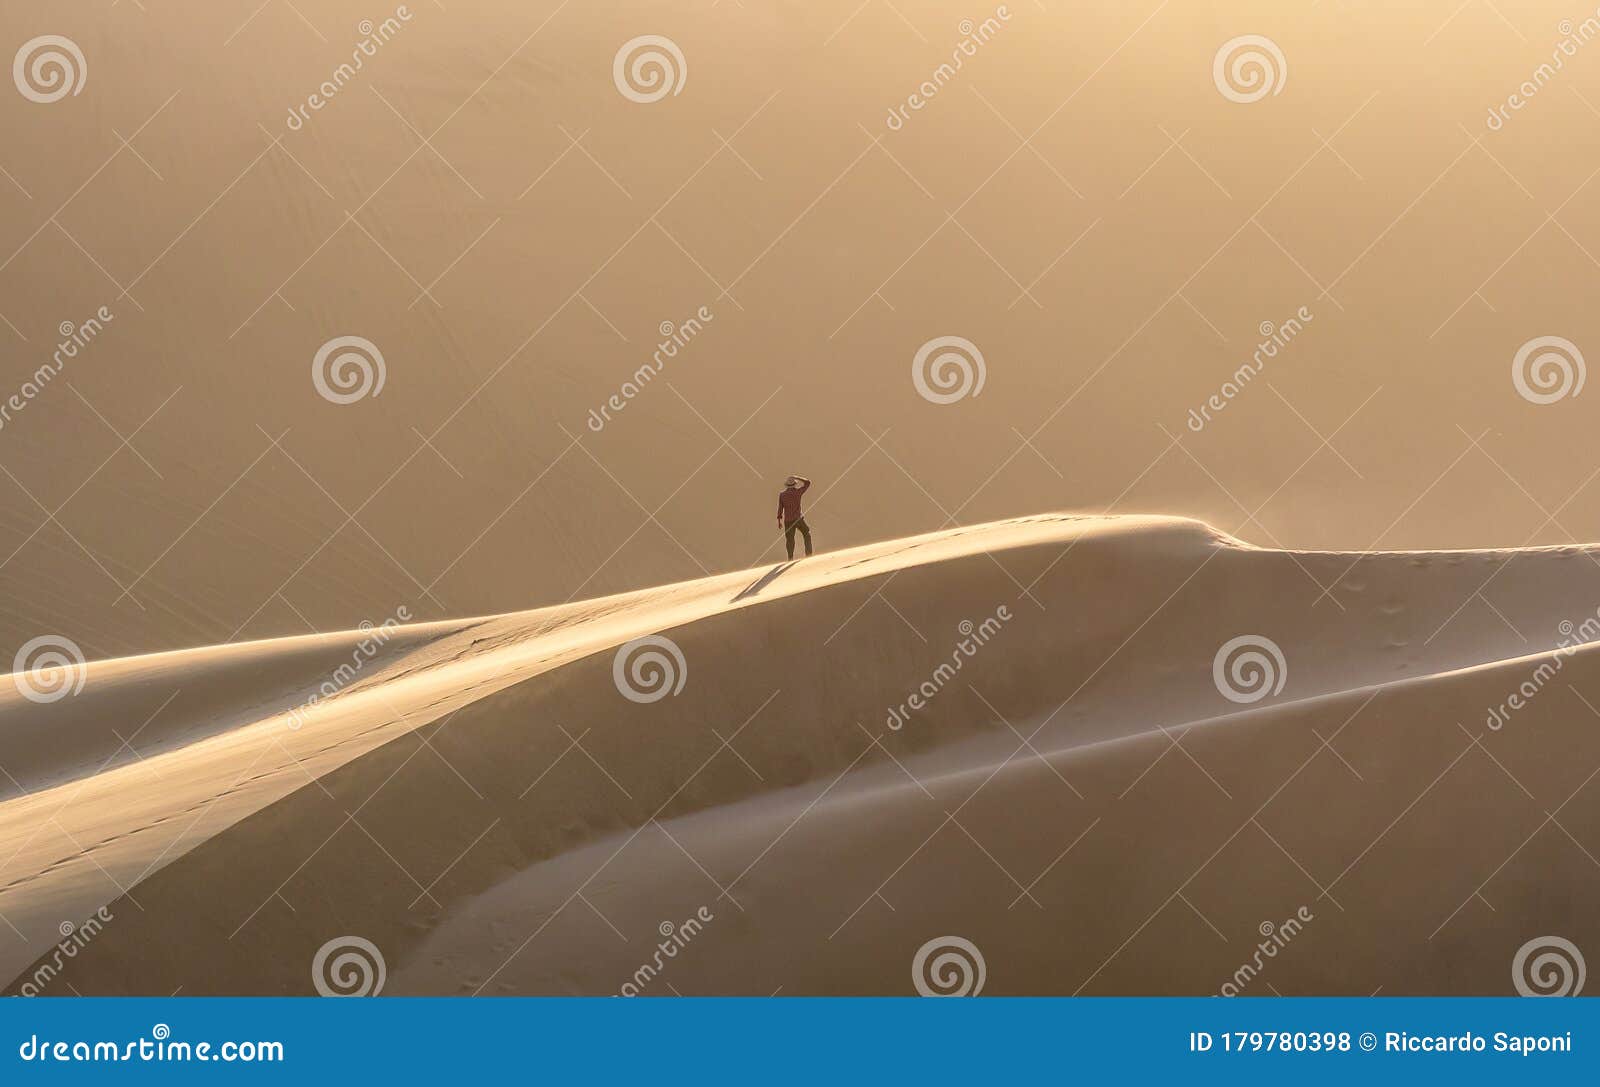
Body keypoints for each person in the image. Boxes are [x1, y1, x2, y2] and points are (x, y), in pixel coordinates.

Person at [776, 475, 813, 558]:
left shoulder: (782, 495)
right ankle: (809, 554)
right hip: (798, 519)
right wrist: (797, 477)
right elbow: (808, 482)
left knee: (790, 540)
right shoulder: (798, 492)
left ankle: (790, 558)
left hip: (788, 521)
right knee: (806, 533)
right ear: (794, 484)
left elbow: (780, 508)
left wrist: (779, 521)